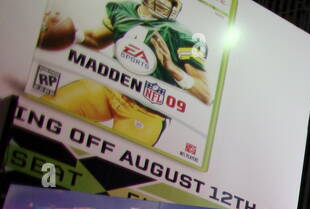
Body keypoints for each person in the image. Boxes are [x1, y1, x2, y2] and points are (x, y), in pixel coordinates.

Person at [48, 0, 213, 149]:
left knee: (117, 157)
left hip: (148, 111)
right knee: (50, 108)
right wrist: (71, 34)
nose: (168, 4)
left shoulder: (182, 36)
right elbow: (96, 40)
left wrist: (173, 69)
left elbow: (205, 94)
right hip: (111, 89)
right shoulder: (123, 9)